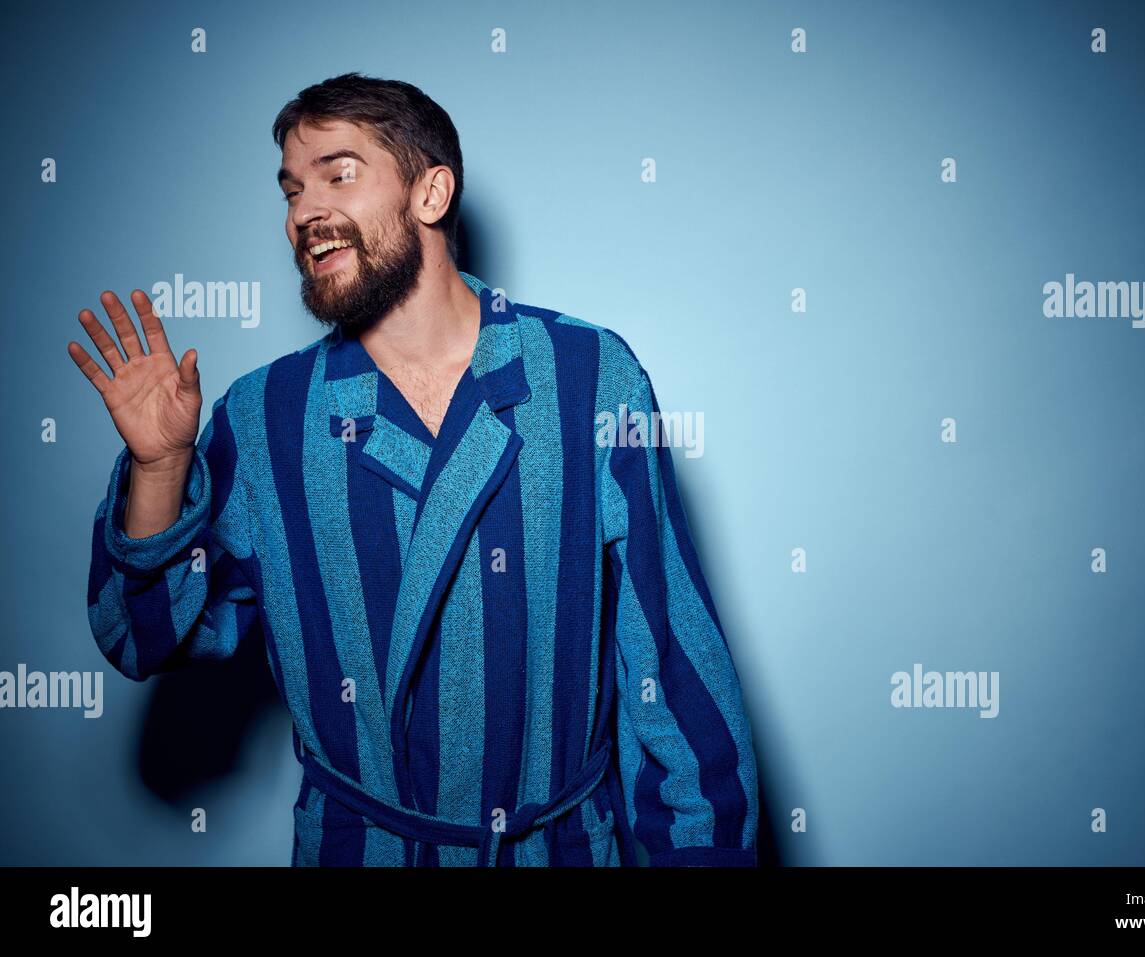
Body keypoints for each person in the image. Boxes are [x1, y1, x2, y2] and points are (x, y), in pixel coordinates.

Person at [70, 73, 759, 867]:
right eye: (292, 189)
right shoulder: (265, 415)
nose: (303, 212)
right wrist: (160, 468)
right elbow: (141, 636)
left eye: (339, 173)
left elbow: (673, 664)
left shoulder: (589, 376)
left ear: (431, 193)